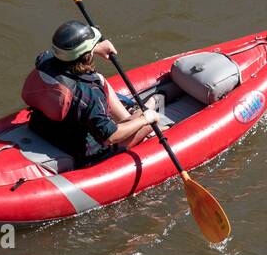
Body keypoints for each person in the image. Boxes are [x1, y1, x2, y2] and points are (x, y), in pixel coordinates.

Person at [21, 20, 162, 165]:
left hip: (41, 127)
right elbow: (110, 137)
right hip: (83, 151)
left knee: (100, 79)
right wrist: (145, 119)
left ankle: (129, 117)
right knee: (151, 120)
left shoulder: (44, 60)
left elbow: (65, 54)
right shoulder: (89, 92)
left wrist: (95, 48)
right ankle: (140, 118)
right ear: (86, 55)